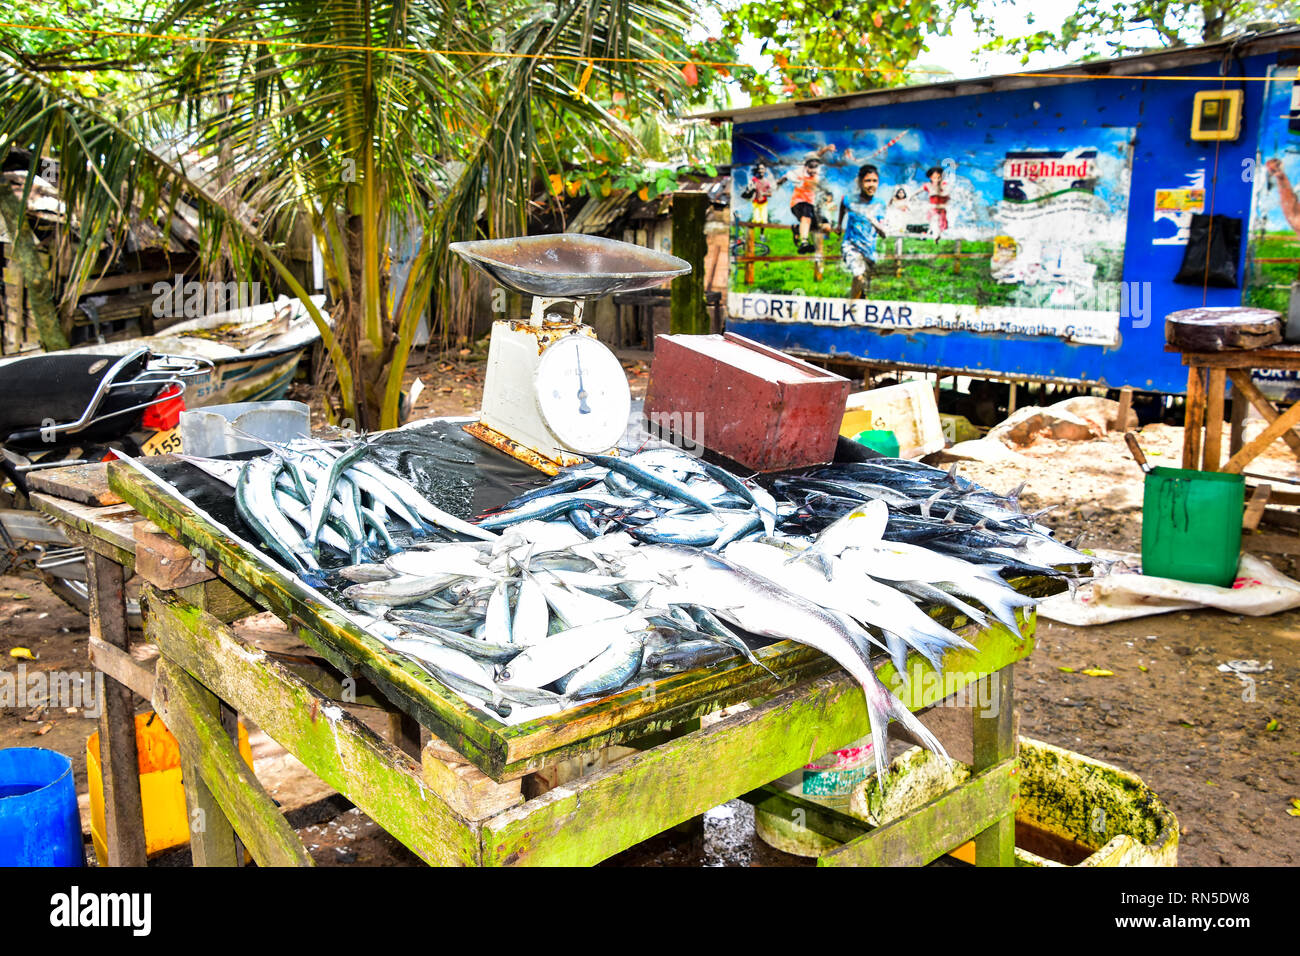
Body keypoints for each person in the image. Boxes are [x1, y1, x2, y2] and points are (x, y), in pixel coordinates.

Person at [836, 164, 888, 299]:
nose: (871, 185)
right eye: (867, 181)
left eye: (875, 181)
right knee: (858, 276)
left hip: (869, 249)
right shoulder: (850, 200)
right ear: (860, 182)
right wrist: (839, 225)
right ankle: (852, 308)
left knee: (864, 282)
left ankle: (859, 300)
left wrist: (875, 223)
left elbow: (884, 233)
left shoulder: (879, 204)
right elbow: (843, 205)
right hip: (851, 245)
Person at [780, 145, 836, 254]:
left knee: (826, 226)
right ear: (806, 166)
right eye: (810, 167)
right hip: (797, 203)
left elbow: (817, 157)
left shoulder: (818, 174)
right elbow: (786, 176)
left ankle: (797, 229)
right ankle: (804, 243)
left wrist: (828, 198)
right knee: (807, 212)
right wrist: (778, 183)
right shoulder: (800, 171)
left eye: (815, 167)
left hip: (810, 207)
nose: (813, 170)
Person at [740, 162, 777, 238]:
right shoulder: (753, 180)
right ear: (757, 170)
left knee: (763, 220)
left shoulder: (766, 182)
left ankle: (762, 235)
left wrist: (763, 194)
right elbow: (748, 190)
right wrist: (750, 189)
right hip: (756, 202)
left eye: (762, 169)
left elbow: (770, 194)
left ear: (765, 170)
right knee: (756, 219)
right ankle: (747, 235)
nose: (761, 170)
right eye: (759, 169)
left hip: (764, 203)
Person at [922, 165, 950, 238]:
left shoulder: (943, 185)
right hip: (933, 209)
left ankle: (937, 235)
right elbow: (918, 191)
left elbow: (947, 194)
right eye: (934, 177)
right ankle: (933, 234)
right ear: (930, 177)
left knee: (941, 224)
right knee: (933, 220)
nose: (936, 179)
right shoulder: (928, 185)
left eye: (939, 177)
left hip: (942, 209)